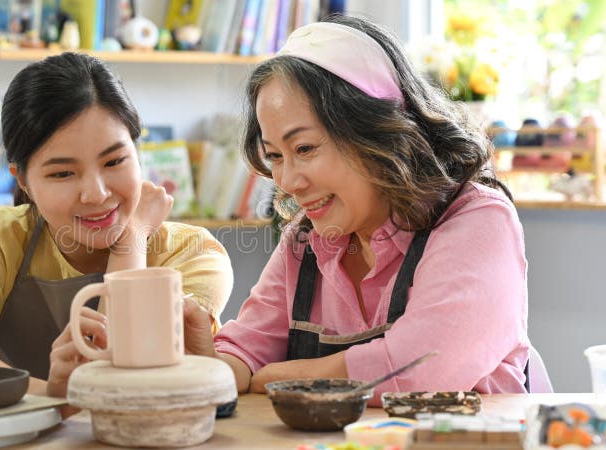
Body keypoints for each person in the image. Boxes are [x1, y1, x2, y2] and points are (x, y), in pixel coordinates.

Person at [183, 15, 534, 404]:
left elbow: (420, 369)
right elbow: (247, 348)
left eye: (304, 148)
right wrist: (210, 364)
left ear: (375, 133)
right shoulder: (305, 240)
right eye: (275, 156)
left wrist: (276, 377)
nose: (288, 181)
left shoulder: (478, 220)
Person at [0, 52, 233, 409]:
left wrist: (131, 239)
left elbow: (123, 379)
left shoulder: (194, 253)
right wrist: (56, 398)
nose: (97, 194)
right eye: (63, 173)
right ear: (23, 181)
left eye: (114, 161)